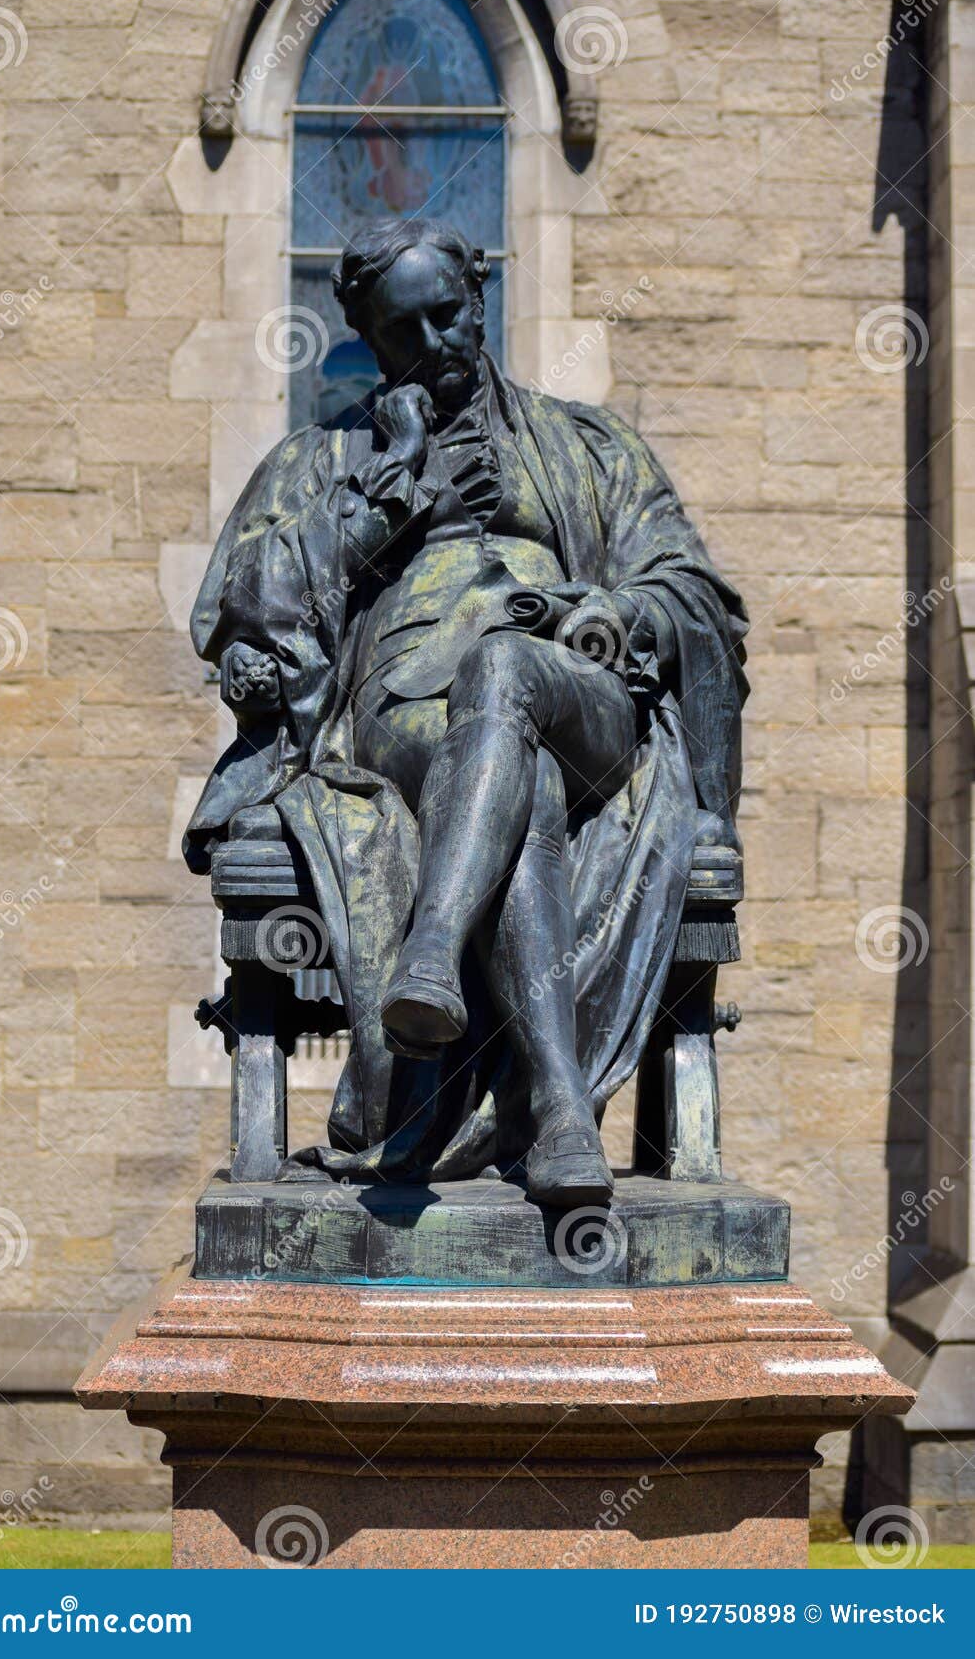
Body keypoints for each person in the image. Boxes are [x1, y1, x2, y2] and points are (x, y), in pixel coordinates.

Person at [185, 219, 747, 1207]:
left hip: (584, 703)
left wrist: (595, 609)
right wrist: (390, 513)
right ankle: (561, 1116)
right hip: (399, 713)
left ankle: (431, 949)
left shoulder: (588, 444)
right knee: (510, 762)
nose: (435, 342)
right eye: (403, 332)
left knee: (507, 668)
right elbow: (243, 608)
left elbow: (693, 597)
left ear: (478, 297)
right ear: (368, 338)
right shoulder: (323, 460)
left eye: (448, 315)